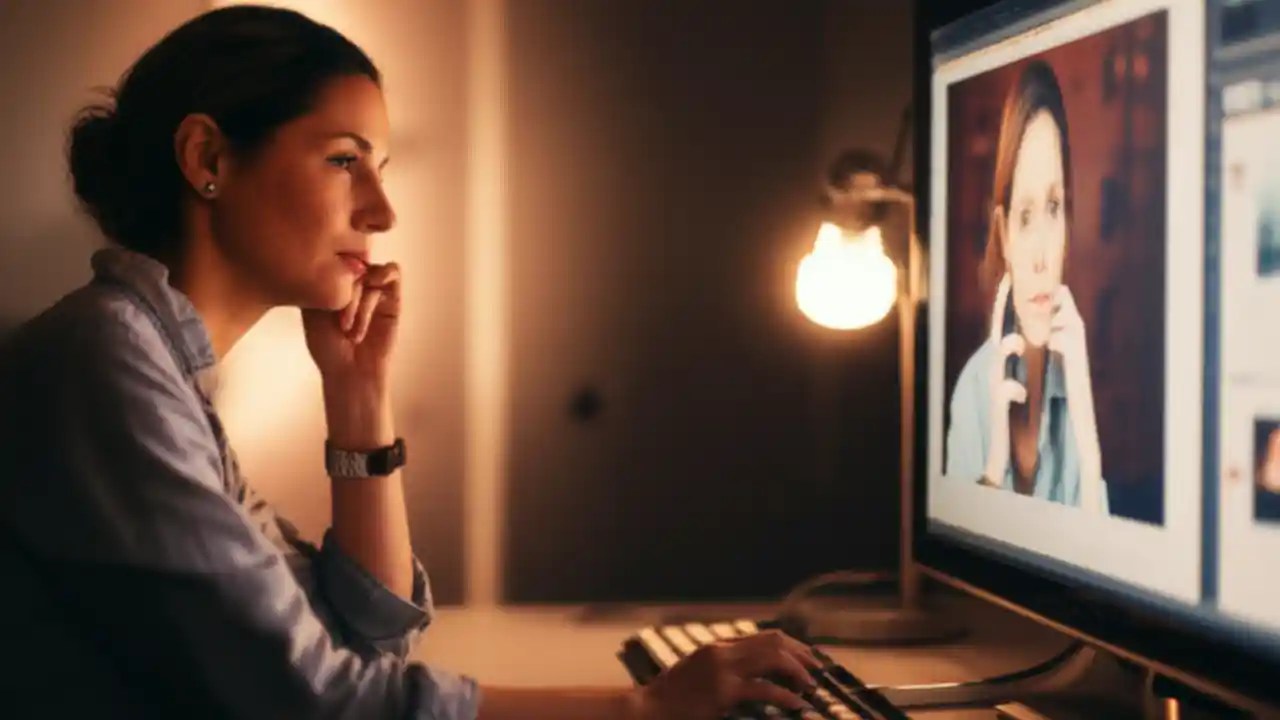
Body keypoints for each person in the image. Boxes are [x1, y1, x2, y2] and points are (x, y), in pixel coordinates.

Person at [0, 6, 822, 719]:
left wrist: (359, 396)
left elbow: (368, 636)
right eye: (344, 160)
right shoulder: (103, 364)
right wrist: (642, 707)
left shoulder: (155, 367)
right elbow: (314, 701)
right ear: (208, 159)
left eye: (380, 169)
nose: (382, 211)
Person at [945, 60, 1109, 514]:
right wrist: (995, 464)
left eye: (1054, 207)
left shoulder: (1073, 382)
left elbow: (1099, 571)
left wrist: (1088, 442)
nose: (1040, 255)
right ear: (1004, 233)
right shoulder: (973, 389)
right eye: (1025, 215)